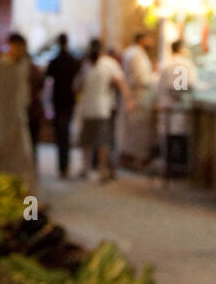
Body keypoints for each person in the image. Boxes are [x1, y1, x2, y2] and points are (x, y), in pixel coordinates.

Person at [0, 33, 36, 190]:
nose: (20, 52)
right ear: (11, 46)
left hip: (19, 123)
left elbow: (25, 94)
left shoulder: (23, 65)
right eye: (18, 48)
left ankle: (27, 205)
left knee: (24, 163)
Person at [75, 39, 131, 182]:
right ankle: (98, 170)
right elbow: (120, 82)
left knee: (93, 141)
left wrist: (128, 100)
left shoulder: (91, 64)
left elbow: (78, 86)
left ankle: (92, 169)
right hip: (99, 108)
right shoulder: (102, 64)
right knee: (99, 141)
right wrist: (128, 100)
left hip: (97, 107)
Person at [154, 39, 199, 178]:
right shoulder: (186, 65)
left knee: (170, 140)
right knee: (181, 140)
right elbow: (188, 86)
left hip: (169, 108)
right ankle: (180, 171)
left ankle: (170, 169)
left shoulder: (167, 65)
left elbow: (160, 86)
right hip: (180, 109)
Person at [44, 34, 81, 179]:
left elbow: (47, 79)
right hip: (69, 100)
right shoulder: (73, 61)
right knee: (65, 132)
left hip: (58, 100)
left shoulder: (55, 61)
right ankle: (65, 165)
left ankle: (62, 166)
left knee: (60, 133)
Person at [117, 32, 156, 166]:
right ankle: (136, 160)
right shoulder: (136, 55)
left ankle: (131, 158)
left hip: (135, 94)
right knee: (138, 131)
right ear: (142, 40)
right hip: (138, 95)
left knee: (131, 130)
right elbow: (141, 78)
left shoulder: (131, 52)